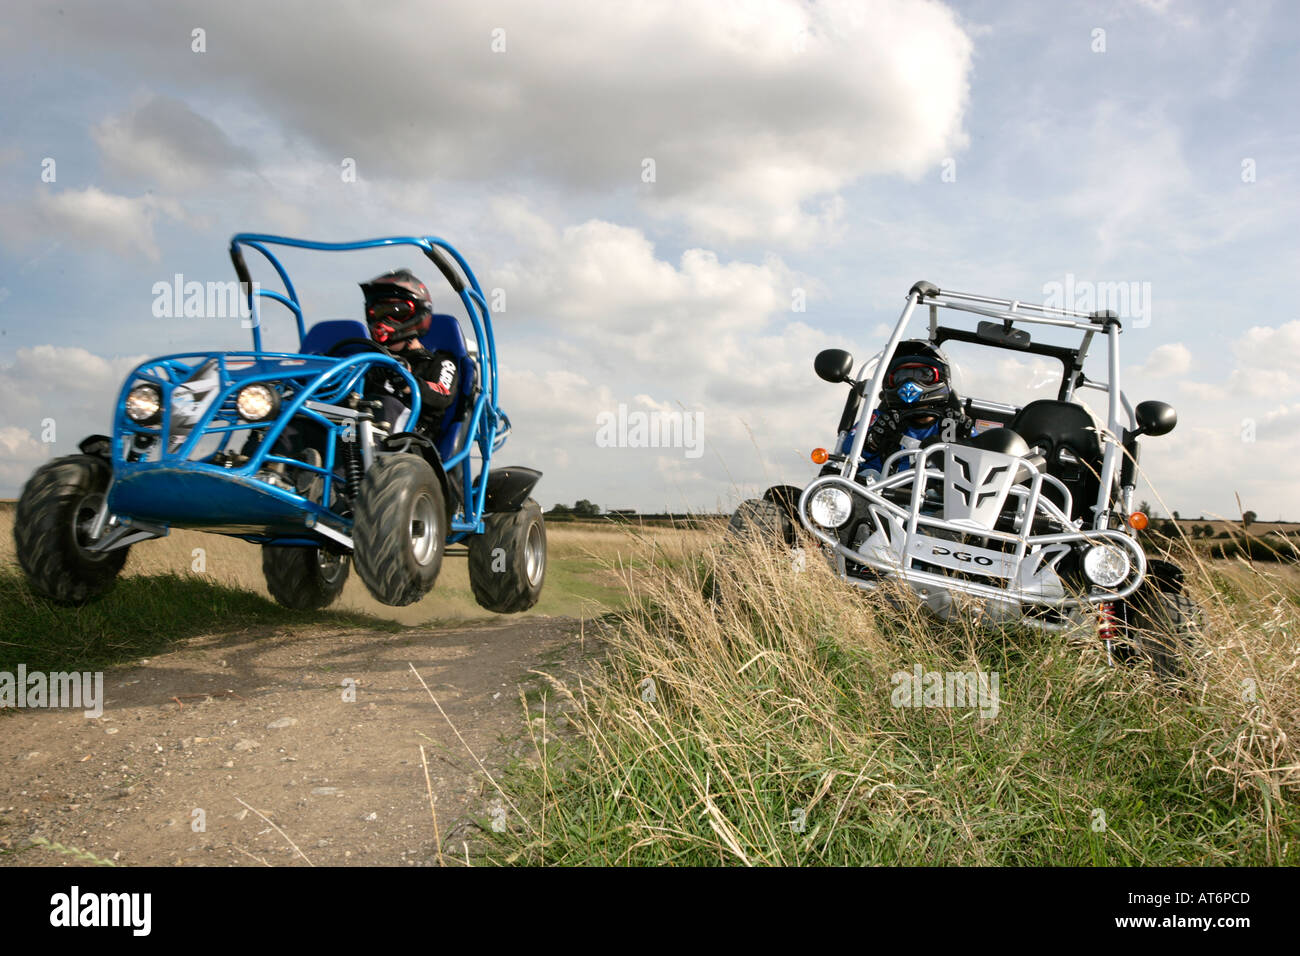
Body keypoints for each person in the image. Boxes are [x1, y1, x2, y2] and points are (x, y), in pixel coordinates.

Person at [842, 339, 976, 480]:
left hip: (936, 496)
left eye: (923, 374)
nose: (910, 383)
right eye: (901, 376)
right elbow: (847, 449)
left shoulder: (954, 424)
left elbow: (982, 461)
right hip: (878, 492)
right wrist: (872, 442)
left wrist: (965, 441)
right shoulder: (879, 418)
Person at [359, 269, 461, 435]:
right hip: (357, 439)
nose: (385, 320)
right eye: (379, 312)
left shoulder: (441, 362)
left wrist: (408, 383)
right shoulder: (368, 361)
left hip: (412, 445)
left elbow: (442, 393)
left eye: (396, 312)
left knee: (383, 405)